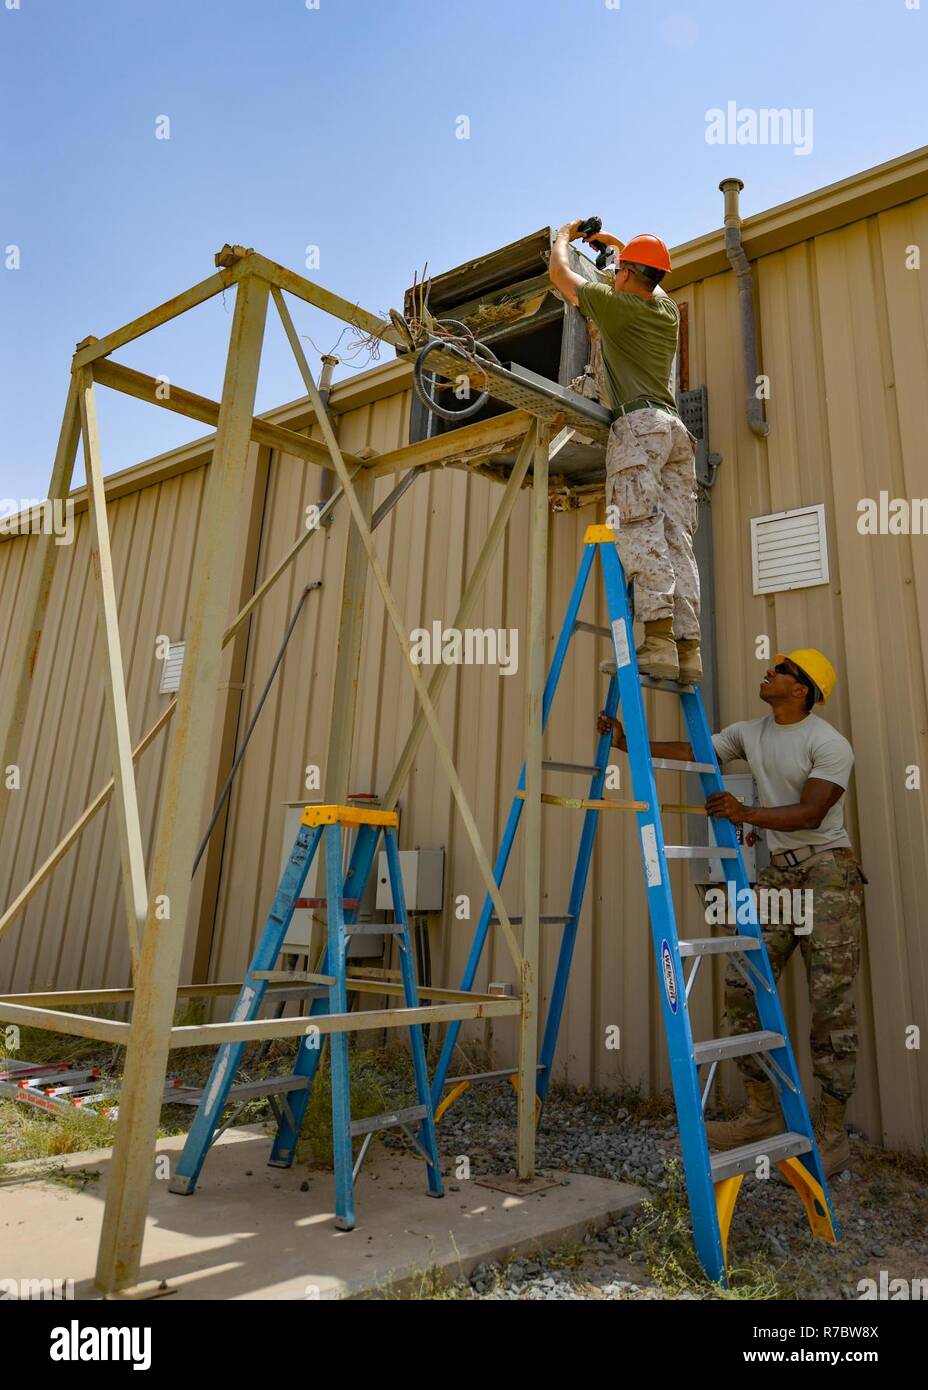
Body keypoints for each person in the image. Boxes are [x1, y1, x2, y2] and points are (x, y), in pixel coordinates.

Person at [598, 648, 866, 1176]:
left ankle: (833, 1133)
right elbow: (699, 751)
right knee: (744, 987)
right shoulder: (750, 731)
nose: (769, 670)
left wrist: (744, 812)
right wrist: (629, 743)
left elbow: (812, 810)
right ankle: (762, 1112)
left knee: (830, 1004)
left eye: (783, 669)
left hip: (827, 873)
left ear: (803, 689)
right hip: (779, 875)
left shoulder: (829, 744)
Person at [549, 220, 701, 684]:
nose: (611, 274)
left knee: (638, 525)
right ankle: (687, 650)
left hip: (637, 426)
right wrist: (615, 247)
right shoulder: (667, 311)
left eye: (618, 270)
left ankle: (656, 642)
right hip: (675, 433)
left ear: (630, 276)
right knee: (678, 538)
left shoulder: (616, 308)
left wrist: (564, 237)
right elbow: (643, 278)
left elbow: (561, 276)